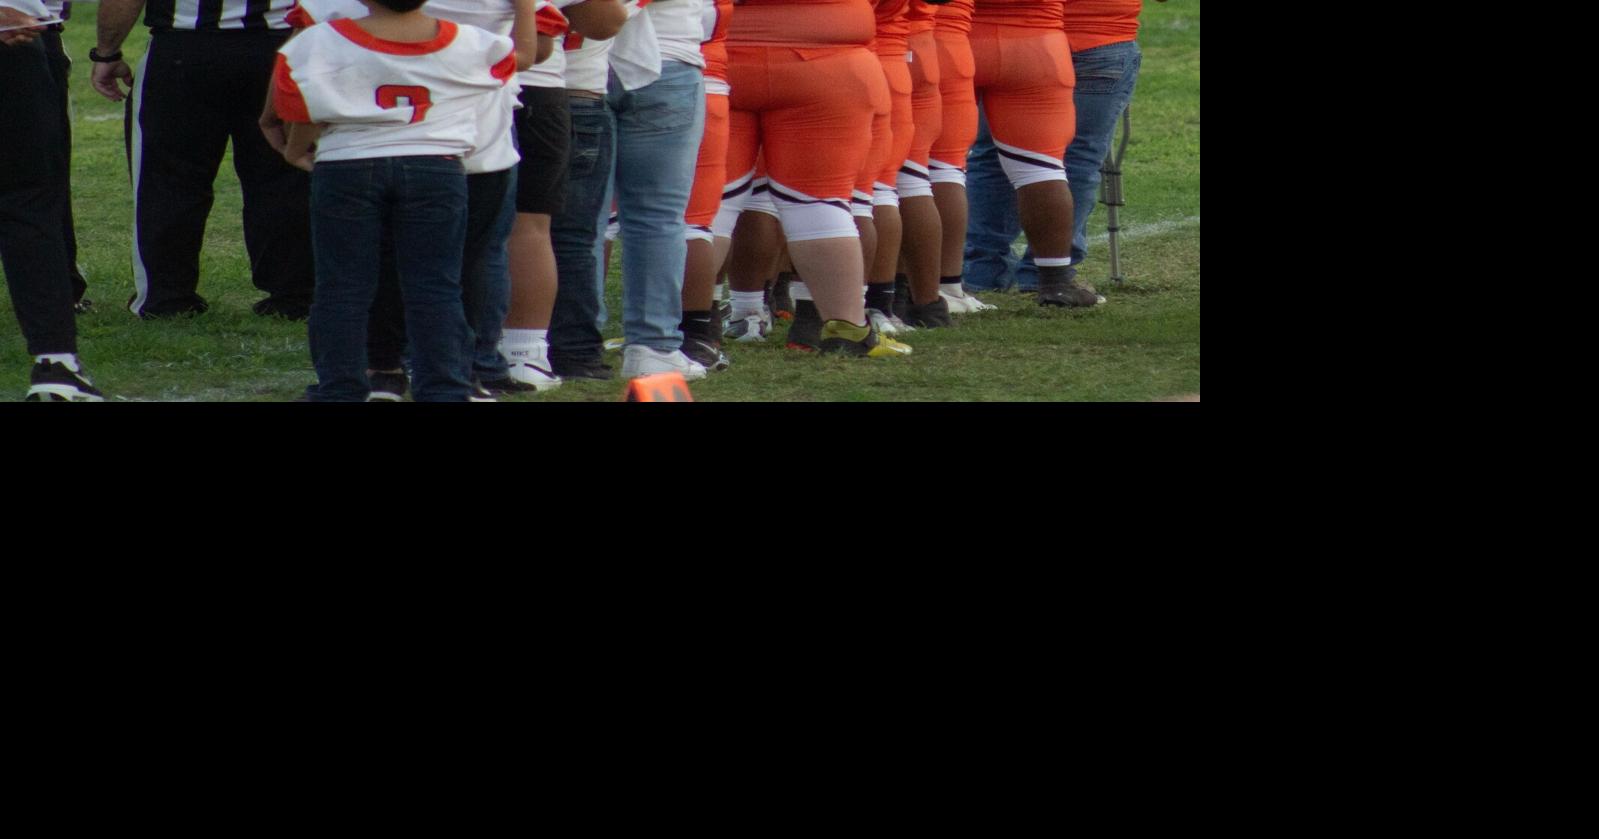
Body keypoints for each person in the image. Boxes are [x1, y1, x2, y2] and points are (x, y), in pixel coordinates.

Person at [274, 0, 524, 400]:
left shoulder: (320, 39)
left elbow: (297, 104)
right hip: (434, 165)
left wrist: (294, 150)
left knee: (342, 287)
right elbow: (518, 59)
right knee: (436, 286)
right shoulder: (472, 42)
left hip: (348, 164)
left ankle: (340, 387)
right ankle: (443, 386)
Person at [92, 0, 317, 319]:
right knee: (285, 174)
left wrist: (107, 51)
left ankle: (167, 297)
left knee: (167, 180)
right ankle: (295, 296)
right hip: (279, 44)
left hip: (184, 47)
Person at [718, 0, 910, 358]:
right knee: (823, 204)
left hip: (721, 58)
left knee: (709, 208)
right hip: (831, 57)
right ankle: (845, 327)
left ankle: (686, 331)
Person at [963, 0, 1160, 294]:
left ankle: (982, 268)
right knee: (1076, 160)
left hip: (1005, 34)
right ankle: (1049, 272)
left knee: (991, 156)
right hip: (1097, 37)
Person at [1, 0, 104, 400]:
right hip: (12, 41)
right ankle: (56, 364)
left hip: (23, 35)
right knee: (26, 201)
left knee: (27, 200)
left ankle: (56, 365)